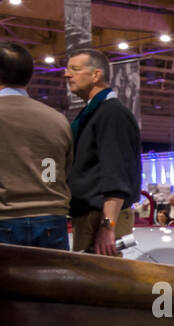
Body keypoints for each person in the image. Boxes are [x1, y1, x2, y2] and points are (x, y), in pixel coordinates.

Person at [64, 48, 141, 255]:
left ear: (96, 75)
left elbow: (115, 175)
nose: (66, 74)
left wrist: (108, 226)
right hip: (93, 216)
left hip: (101, 217)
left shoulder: (111, 114)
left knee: (102, 283)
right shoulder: (95, 113)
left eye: (75, 69)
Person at [0, 42, 73, 249]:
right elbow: (62, 169)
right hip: (52, 220)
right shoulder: (57, 119)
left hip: (5, 218)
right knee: (54, 282)